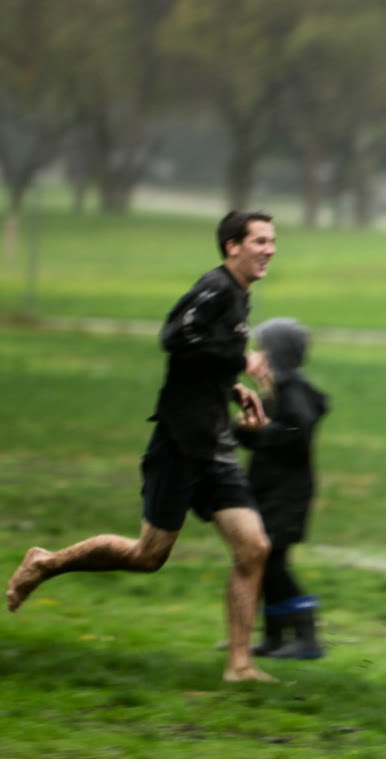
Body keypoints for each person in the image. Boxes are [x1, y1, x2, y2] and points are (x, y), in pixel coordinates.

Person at [6, 211, 277, 682]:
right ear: (233, 246)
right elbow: (176, 336)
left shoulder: (239, 296)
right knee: (148, 555)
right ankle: (45, 563)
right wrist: (241, 359)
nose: (270, 249)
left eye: (273, 241)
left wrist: (233, 387)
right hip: (179, 442)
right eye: (259, 241)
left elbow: (201, 358)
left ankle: (239, 665)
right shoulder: (214, 288)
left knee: (254, 547)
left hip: (214, 444)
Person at [236, 318, 331, 660]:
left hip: (287, 493)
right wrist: (246, 431)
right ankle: (274, 637)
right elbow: (268, 437)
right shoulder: (276, 389)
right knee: (265, 560)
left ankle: (308, 636)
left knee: (273, 562)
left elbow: (297, 431)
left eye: (262, 348)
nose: (256, 355)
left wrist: (260, 433)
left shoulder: (292, 390)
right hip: (269, 488)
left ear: (276, 353)